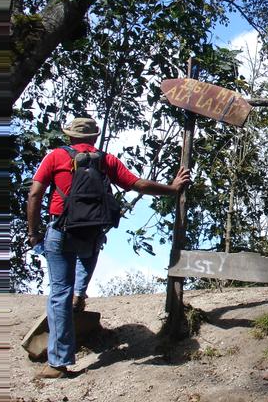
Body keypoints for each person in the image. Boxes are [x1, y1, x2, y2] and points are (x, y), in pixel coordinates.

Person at [26, 117, 191, 378]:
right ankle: (80, 292)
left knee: (59, 292)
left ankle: (58, 363)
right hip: (91, 231)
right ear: (93, 138)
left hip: (59, 230)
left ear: (70, 137)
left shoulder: (55, 157)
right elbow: (137, 184)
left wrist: (33, 233)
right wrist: (172, 188)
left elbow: (34, 194)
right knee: (90, 249)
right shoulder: (106, 160)